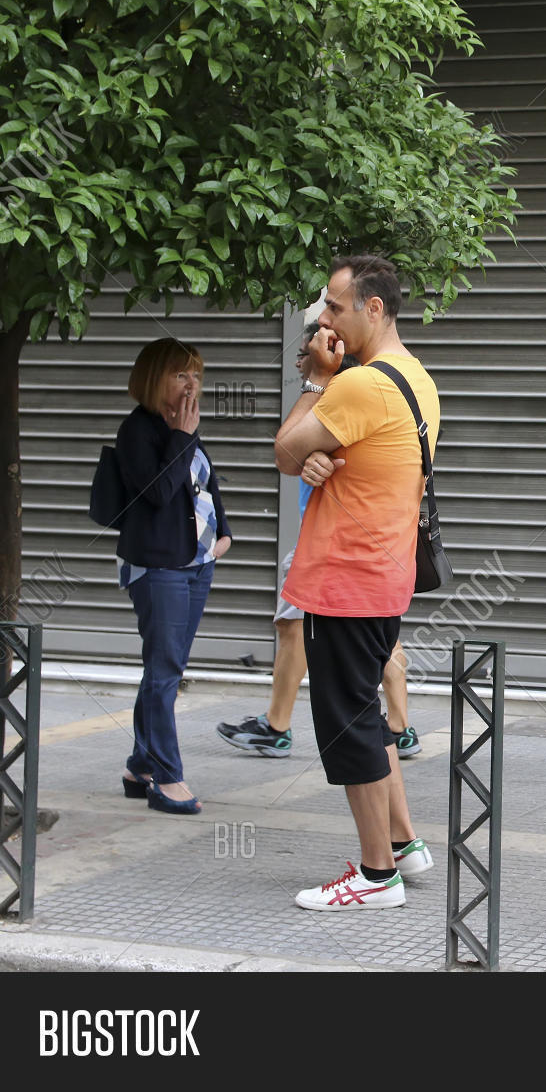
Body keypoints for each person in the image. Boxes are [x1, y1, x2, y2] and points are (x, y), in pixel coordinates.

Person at [273, 255, 440, 911]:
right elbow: (341, 458)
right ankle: (401, 843)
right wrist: (319, 453)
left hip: (345, 577)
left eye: (334, 308)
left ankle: (375, 877)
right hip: (385, 573)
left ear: (374, 308)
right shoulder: (417, 379)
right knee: (367, 715)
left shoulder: (357, 386)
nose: (324, 320)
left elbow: (284, 450)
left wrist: (316, 380)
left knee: (345, 726)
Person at [217, 323, 422, 759]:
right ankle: (399, 727)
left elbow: (285, 451)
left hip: (331, 548)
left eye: (304, 354)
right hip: (368, 554)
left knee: (295, 630)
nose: (298, 363)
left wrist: (314, 393)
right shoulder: (367, 396)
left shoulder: (340, 396)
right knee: (378, 642)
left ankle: (277, 726)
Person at [113, 338, 232, 815]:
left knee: (166, 669)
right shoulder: (137, 432)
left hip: (196, 564)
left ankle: (139, 765)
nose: (191, 384)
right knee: (164, 672)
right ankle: (166, 777)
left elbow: (204, 484)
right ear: (153, 378)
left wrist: (225, 534)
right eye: (180, 374)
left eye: (196, 375)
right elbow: (160, 493)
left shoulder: (184, 428)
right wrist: (183, 436)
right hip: (157, 568)